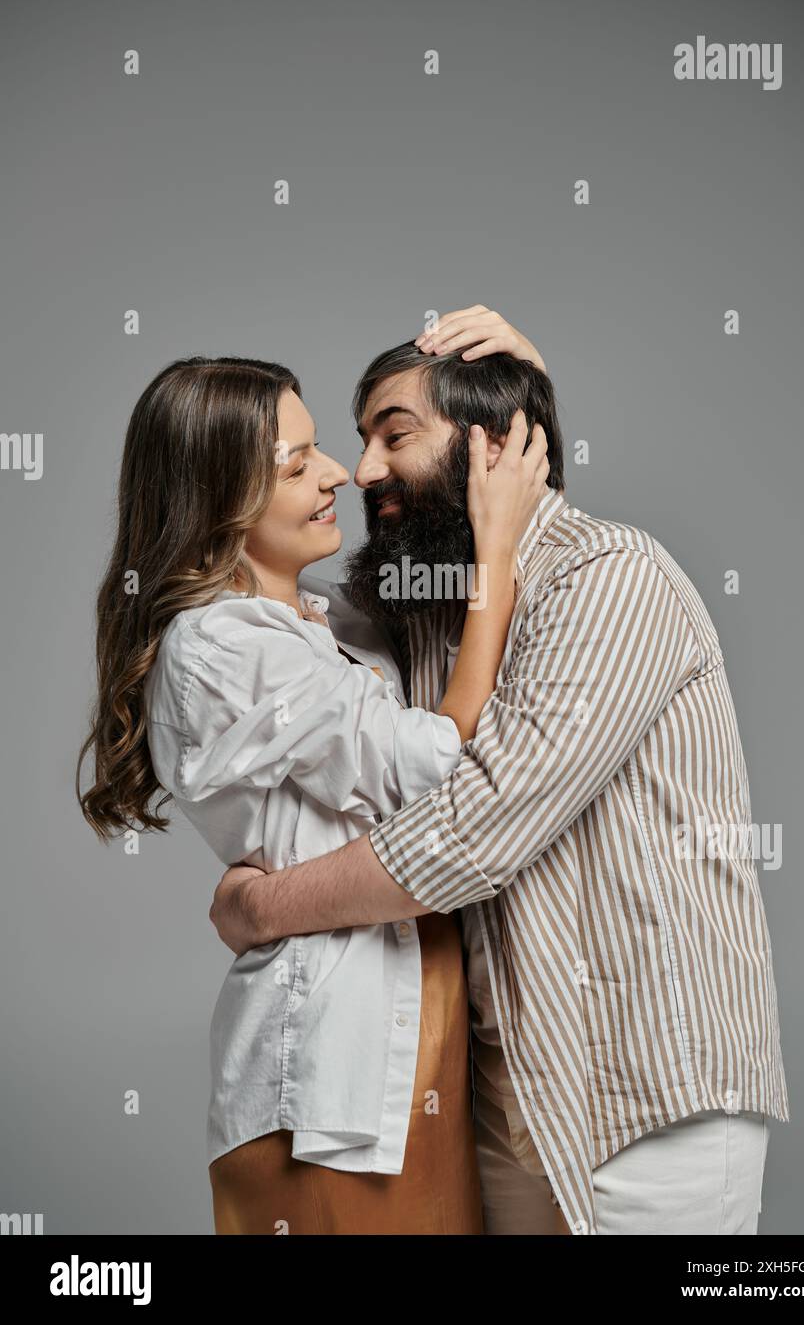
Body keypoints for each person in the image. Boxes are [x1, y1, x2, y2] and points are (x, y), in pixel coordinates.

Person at [211, 309, 791, 1236]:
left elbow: (479, 829)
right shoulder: (422, 602)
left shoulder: (613, 579)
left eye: (393, 434)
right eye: (358, 441)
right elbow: (266, 635)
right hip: (500, 1101)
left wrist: (263, 907)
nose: (361, 472)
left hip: (643, 1100)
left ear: (490, 446)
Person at [77, 320, 549, 1234]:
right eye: (297, 466)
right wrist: (496, 555)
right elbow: (439, 763)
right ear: (220, 502)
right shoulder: (222, 645)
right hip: (334, 1082)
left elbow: (442, 578)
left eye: (319, 448)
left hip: (417, 1051)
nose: (340, 472)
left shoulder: (324, 625)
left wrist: (518, 391)